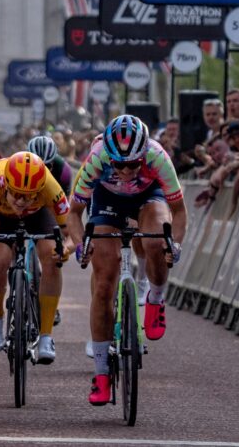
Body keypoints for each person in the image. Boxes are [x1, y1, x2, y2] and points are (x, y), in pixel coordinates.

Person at [68, 115, 186, 405]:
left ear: (143, 154)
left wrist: (176, 244)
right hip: (107, 201)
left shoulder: (158, 157)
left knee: (156, 240)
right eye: (119, 165)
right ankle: (101, 374)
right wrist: (82, 243)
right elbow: (73, 213)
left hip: (149, 196)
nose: (126, 170)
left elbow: (179, 210)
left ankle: (156, 298)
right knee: (104, 284)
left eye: (133, 164)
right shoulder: (96, 158)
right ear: (109, 156)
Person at [0, 151, 72, 363]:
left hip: (38, 215)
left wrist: (65, 249)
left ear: (40, 189)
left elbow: (72, 232)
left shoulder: (51, 188)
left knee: (51, 257)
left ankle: (46, 335)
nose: (21, 201)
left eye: (28, 195)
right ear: (6, 185)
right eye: (16, 194)